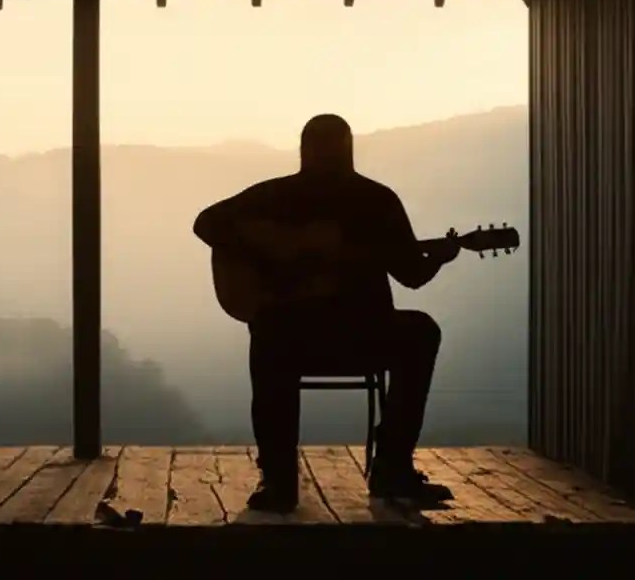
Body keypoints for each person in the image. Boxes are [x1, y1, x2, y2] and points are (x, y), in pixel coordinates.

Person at [193, 113, 458, 512]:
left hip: (302, 338)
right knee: (421, 332)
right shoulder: (373, 198)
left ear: (303, 151)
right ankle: (391, 469)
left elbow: (207, 222)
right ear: (349, 150)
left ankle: (280, 481)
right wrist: (283, 242)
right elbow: (413, 276)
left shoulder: (280, 195)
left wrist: (435, 256)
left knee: (268, 333)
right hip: (356, 335)